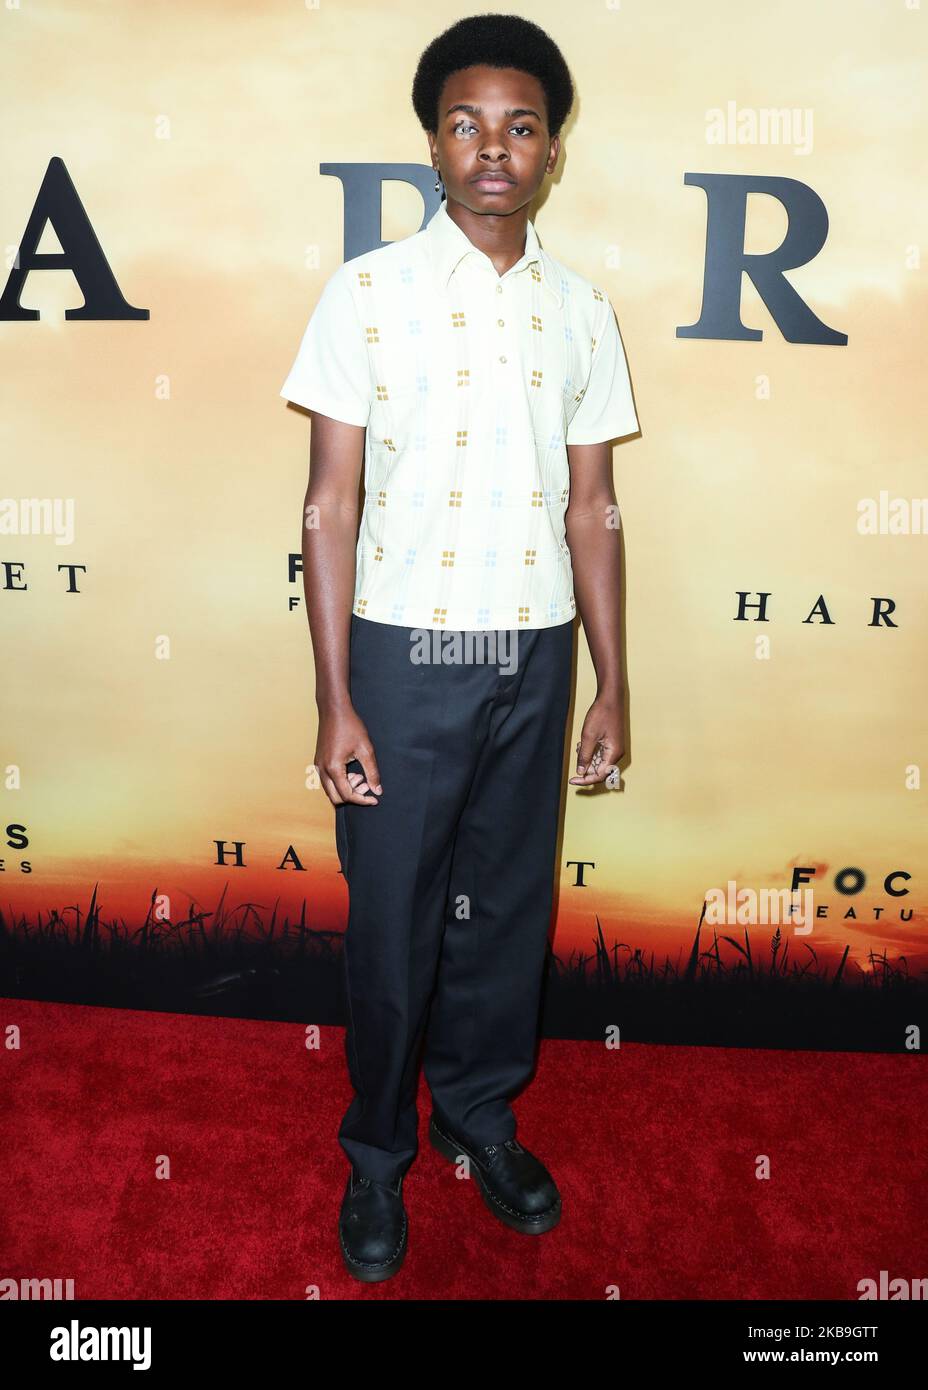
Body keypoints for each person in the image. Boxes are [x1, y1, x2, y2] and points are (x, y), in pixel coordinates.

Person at [279, 13, 639, 1282]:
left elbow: (591, 508)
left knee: (502, 921)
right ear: (432, 141)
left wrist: (610, 681)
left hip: (535, 658)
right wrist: (334, 698)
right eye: (466, 123)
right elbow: (331, 504)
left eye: (521, 126)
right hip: (401, 657)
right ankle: (375, 1157)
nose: (494, 148)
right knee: (393, 928)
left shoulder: (584, 313)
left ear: (553, 149)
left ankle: (479, 1124)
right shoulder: (366, 295)